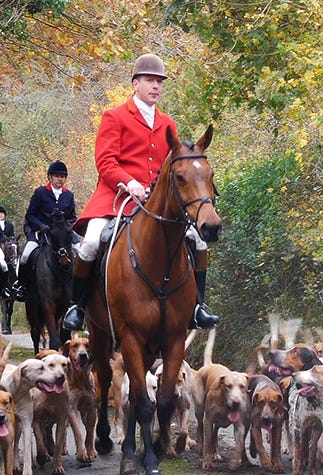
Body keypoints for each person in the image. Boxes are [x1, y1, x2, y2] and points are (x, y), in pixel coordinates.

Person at [63, 53, 219, 331]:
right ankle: (77, 306)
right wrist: (128, 182)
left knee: (198, 241)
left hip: (156, 201)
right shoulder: (115, 116)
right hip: (116, 198)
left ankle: (197, 307)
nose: (156, 86)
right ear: (135, 83)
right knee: (90, 243)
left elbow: (174, 165)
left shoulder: (167, 122)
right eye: (149, 80)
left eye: (159, 82)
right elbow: (105, 161)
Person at [11, 161, 78, 301]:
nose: (60, 179)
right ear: (50, 177)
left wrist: (67, 226)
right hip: (42, 233)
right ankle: (22, 286)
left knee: (80, 252)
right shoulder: (41, 192)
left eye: (63, 176)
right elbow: (30, 215)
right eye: (57, 176)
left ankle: (78, 290)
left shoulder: (69, 195)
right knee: (25, 255)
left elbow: (73, 217)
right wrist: (42, 226)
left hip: (62, 236)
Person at [0, 206, 13, 300]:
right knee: (3, 265)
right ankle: (4, 288)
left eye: (2, 213)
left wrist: (10, 242)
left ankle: (18, 284)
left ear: (5, 214)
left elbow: (12, 235)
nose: (0, 214)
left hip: (9, 245)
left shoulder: (9, 225)